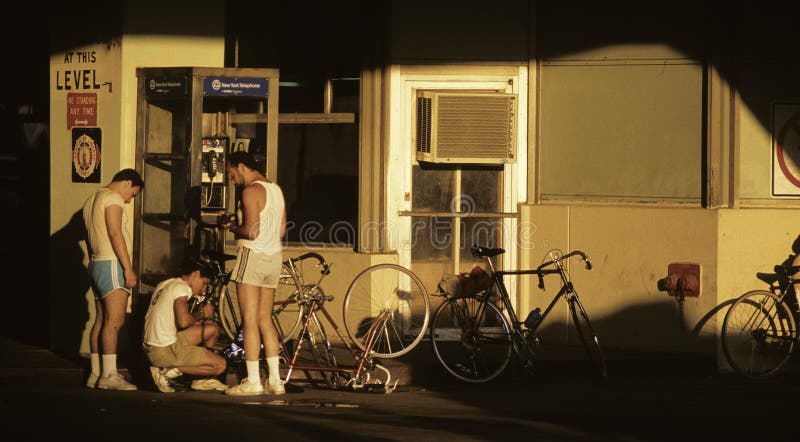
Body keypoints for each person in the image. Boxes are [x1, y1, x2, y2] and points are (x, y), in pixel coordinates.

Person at [220, 151, 286, 396]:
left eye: (232, 174)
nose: (232, 180)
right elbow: (280, 230)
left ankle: (253, 381)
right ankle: (276, 381)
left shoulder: (250, 192)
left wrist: (231, 227)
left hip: (253, 256)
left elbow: (252, 231)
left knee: (248, 319)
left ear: (241, 166)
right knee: (265, 319)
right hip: (273, 258)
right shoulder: (276, 190)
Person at [82, 168, 144, 390]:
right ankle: (109, 375)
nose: (129, 200)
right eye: (133, 194)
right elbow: (115, 232)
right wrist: (128, 269)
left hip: (96, 263)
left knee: (101, 320)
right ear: (127, 183)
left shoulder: (92, 199)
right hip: (111, 264)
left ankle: (96, 373)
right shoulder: (113, 198)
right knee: (115, 321)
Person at [143, 258, 228, 393]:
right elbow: (183, 321)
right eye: (204, 283)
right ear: (196, 274)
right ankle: (166, 372)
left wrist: (193, 320)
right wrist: (202, 313)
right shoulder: (182, 288)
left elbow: (175, 320)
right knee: (220, 365)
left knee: (212, 330)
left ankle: (202, 380)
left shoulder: (166, 283)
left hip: (154, 347)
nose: (203, 290)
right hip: (165, 351)